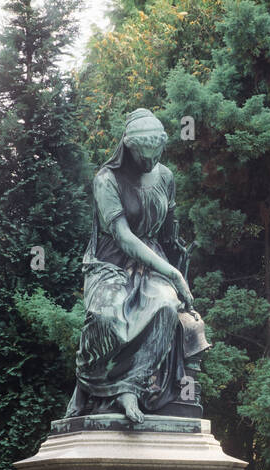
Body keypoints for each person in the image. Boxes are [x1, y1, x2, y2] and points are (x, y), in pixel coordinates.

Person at [65, 108, 198, 423]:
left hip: (152, 262)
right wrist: (174, 273)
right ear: (128, 147)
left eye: (156, 156)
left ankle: (131, 388)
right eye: (144, 158)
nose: (150, 164)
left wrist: (179, 256)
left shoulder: (165, 177)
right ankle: (87, 383)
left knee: (166, 306)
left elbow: (168, 230)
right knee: (107, 316)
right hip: (110, 263)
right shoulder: (106, 180)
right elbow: (123, 237)